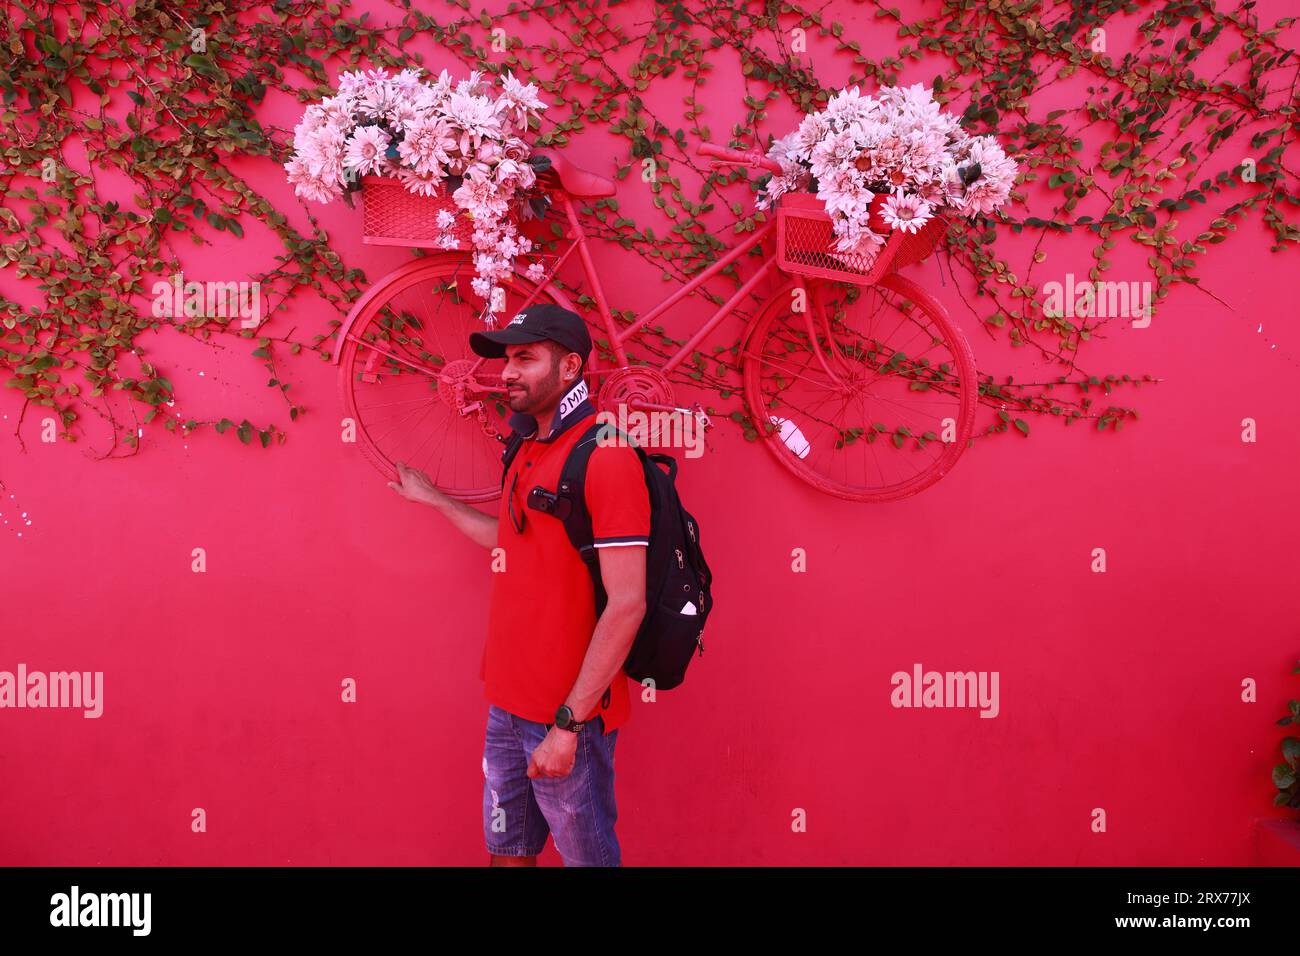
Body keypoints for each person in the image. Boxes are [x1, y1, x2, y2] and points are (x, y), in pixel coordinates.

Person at [387, 303, 650, 866]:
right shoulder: (527, 446)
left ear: (571, 366)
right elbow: (511, 542)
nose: (506, 372)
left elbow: (628, 604)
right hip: (506, 704)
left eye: (524, 358)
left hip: (565, 714)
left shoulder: (607, 455)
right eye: (507, 359)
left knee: (588, 860)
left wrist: (568, 724)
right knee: (507, 852)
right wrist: (433, 498)